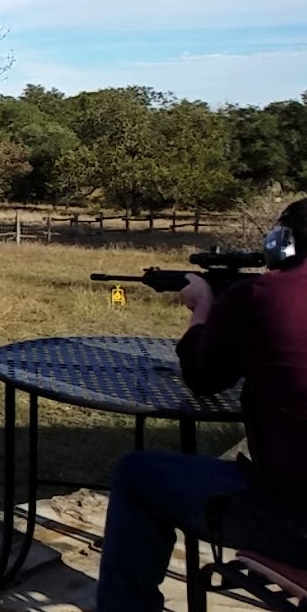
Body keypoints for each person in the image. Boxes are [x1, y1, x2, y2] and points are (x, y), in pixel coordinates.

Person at [96, 198, 307, 611]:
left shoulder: (259, 296)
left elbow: (203, 379)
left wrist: (205, 310)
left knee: (136, 475)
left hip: (292, 521)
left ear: (282, 243)